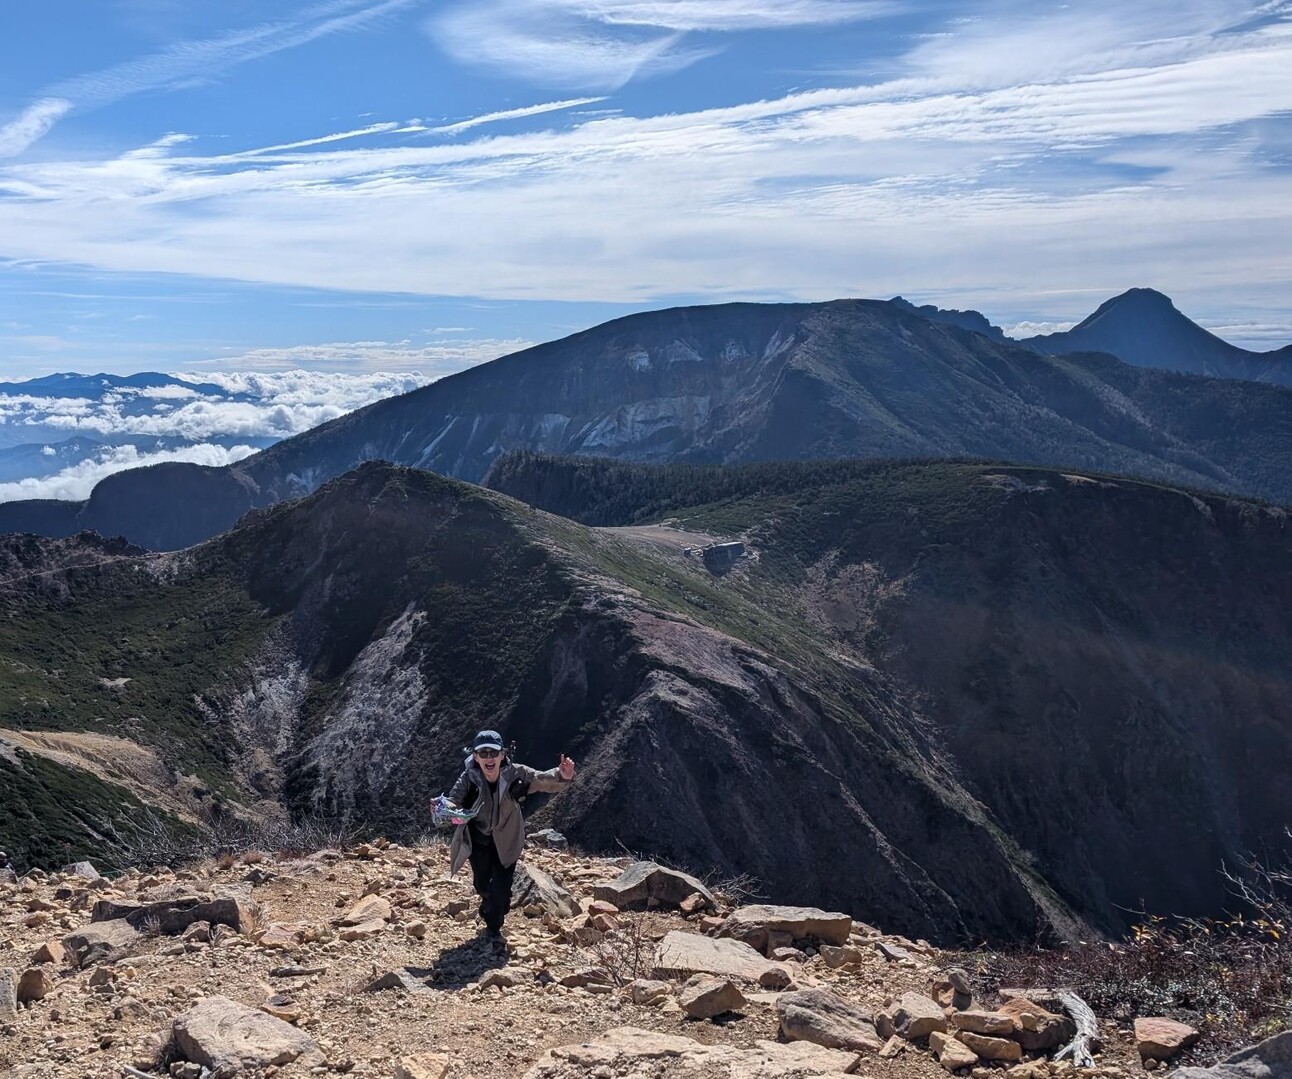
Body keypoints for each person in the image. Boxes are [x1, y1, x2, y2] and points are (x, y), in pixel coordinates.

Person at [443, 729, 576, 950]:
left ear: (502, 755)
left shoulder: (517, 774)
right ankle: (491, 906)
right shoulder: (469, 778)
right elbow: (452, 801)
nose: (488, 758)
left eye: (493, 753)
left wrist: (563, 776)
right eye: (483, 753)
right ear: (475, 757)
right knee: (482, 884)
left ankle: (493, 926)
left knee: (501, 891)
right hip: (478, 842)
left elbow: (541, 779)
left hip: (508, 841)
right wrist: (444, 809)